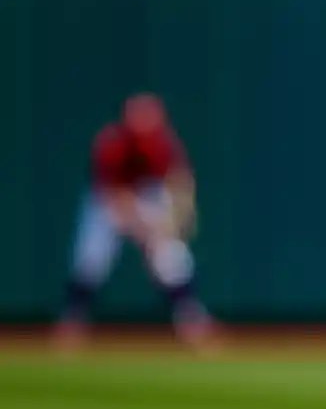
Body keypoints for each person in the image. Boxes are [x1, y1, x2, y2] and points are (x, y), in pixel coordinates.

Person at [54, 93, 216, 350]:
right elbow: (114, 196)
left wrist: (180, 215)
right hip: (106, 202)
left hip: (148, 195)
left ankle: (191, 320)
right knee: (92, 257)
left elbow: (180, 181)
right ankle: (73, 321)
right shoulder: (112, 143)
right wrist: (145, 228)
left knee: (170, 257)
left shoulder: (162, 142)